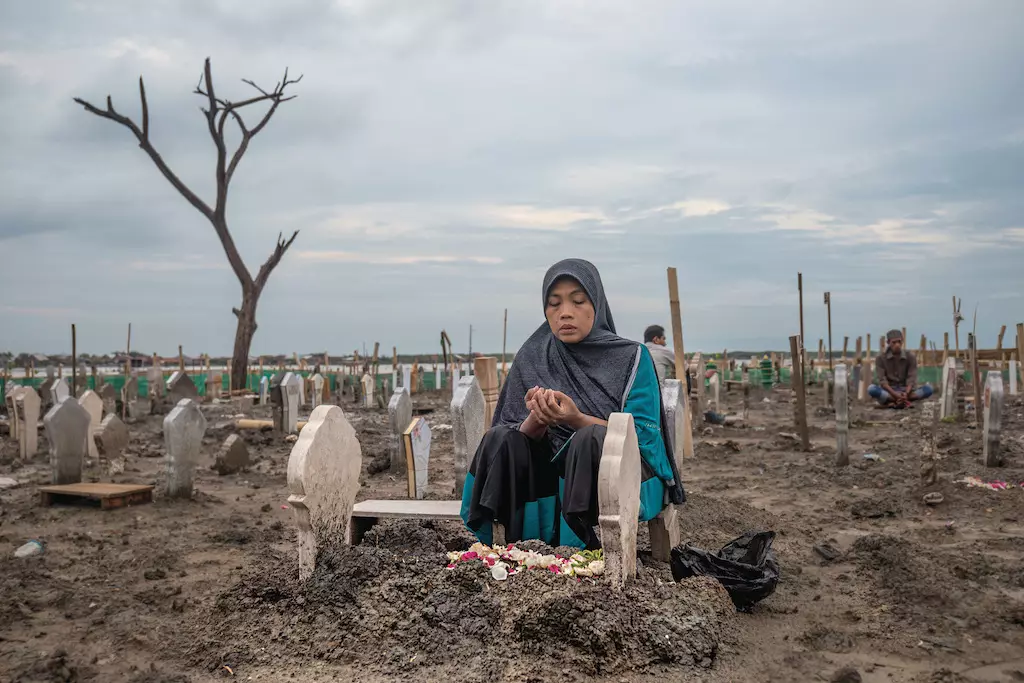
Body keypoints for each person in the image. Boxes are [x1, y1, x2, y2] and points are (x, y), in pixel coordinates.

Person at [460, 259, 685, 549]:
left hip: (629, 475)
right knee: (501, 438)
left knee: (587, 439)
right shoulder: (532, 356)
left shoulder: (631, 357)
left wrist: (576, 418)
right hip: (554, 479)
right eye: (554, 304)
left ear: (597, 304)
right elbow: (512, 430)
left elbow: (642, 439)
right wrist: (538, 419)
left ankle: (579, 547)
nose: (565, 312)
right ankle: (506, 548)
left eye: (578, 301)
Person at [868, 329, 933, 408]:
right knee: (872, 389)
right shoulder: (880, 358)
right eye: (894, 342)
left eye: (899, 342)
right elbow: (883, 381)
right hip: (889, 391)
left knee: (929, 389)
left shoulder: (910, 357)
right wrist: (896, 395)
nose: (897, 345)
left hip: (907, 391)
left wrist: (906, 393)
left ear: (902, 342)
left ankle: (894, 402)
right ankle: (899, 401)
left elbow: (911, 378)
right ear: (888, 342)